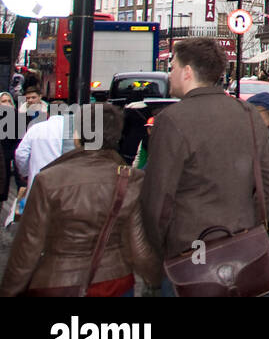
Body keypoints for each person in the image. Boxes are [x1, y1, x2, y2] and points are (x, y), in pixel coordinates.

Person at [140, 37, 269, 292]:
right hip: (240, 252)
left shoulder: (171, 120)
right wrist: (245, 226)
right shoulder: (248, 114)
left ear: (187, 72)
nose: (169, 73)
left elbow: (156, 203)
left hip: (189, 258)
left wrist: (167, 247)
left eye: (172, 67)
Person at [0, 105, 161, 297]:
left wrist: (10, 290)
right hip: (115, 282)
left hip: (56, 282)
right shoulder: (131, 179)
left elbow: (28, 247)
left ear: (77, 135)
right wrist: (156, 280)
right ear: (117, 136)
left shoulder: (48, 179)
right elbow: (139, 245)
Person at [1, 92, 20, 205]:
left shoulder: (17, 118)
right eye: (3, 101)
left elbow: (18, 141)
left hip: (6, 163)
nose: (6, 104)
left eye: (9, 101)